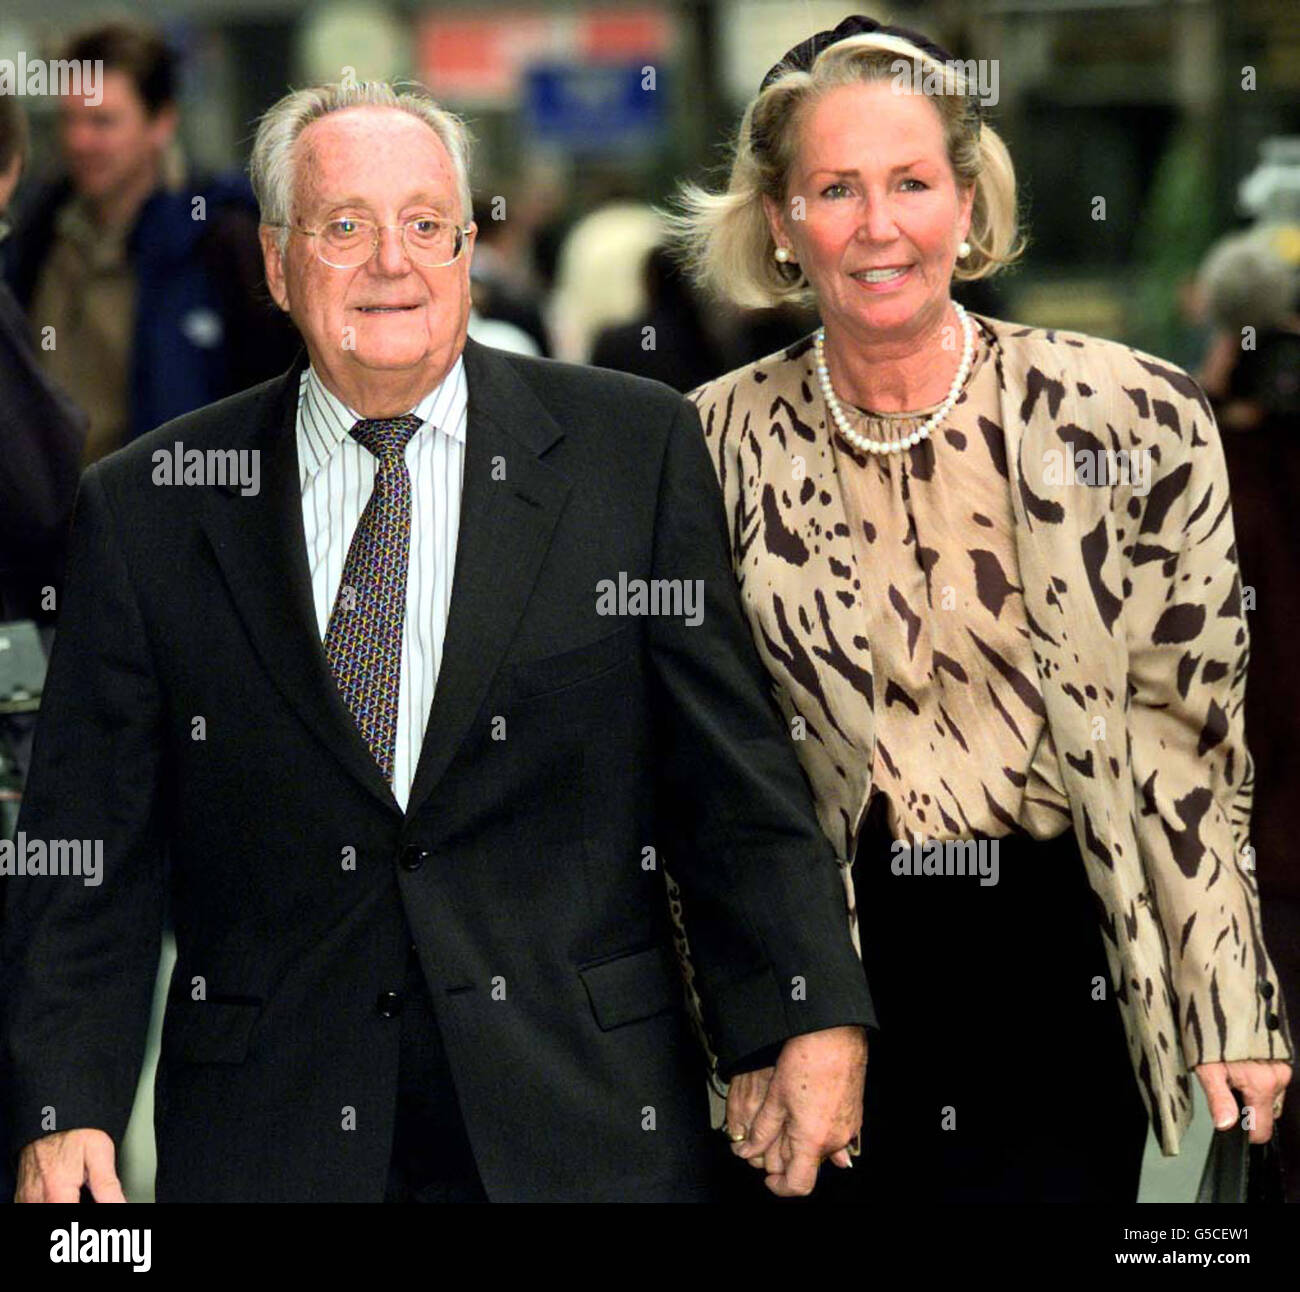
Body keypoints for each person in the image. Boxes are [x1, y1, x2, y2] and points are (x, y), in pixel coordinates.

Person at [2, 80, 875, 1204]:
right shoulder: (147, 505)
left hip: (584, 1116)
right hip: (273, 1133)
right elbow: (90, 850)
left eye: (425, 224)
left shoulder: (629, 448)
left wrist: (803, 1014)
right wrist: (64, 1106)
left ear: (468, 247)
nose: (389, 262)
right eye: (344, 226)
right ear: (276, 262)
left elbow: (730, 781)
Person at [673, 17, 1293, 1202]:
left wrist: (1230, 998)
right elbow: (696, 776)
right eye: (834, 189)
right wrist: (753, 1026)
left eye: (911, 182)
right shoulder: (703, 444)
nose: (878, 224)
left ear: (966, 201)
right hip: (825, 969)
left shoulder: (1130, 412)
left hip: (1061, 957)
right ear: (782, 223)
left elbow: (1189, 741)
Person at [2, 20, 299, 465]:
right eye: (70, 119)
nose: (79, 140)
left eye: (102, 121)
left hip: (167, 516)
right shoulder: (35, 236)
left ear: (161, 122)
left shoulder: (221, 240)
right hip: (49, 519)